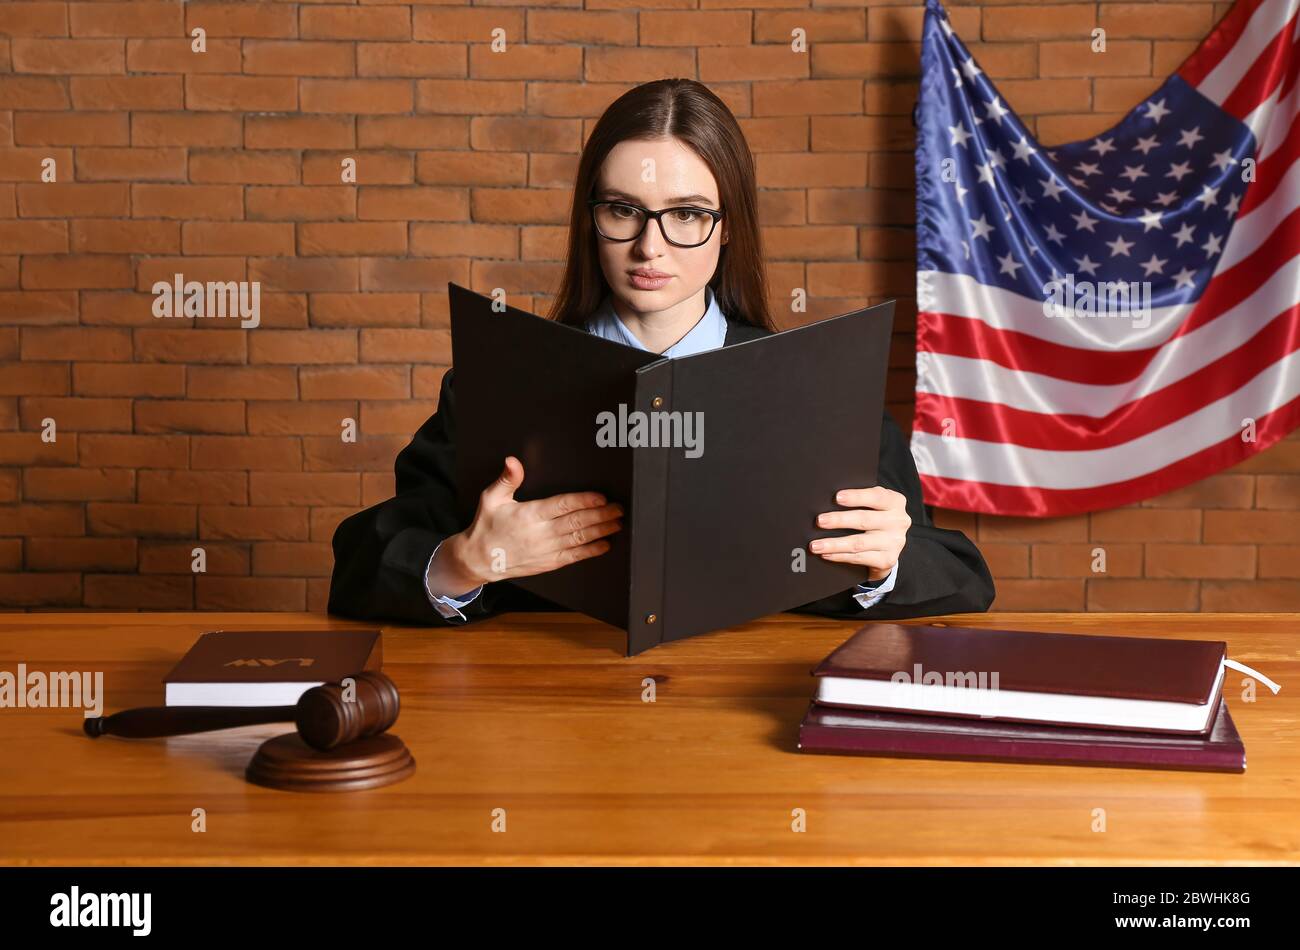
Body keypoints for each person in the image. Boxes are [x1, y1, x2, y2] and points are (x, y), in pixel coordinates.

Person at [328, 79, 994, 628]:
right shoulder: (495, 383)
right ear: (590, 219)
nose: (651, 248)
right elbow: (359, 567)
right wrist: (464, 561)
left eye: (687, 214)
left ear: (728, 226)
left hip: (752, 725)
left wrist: (885, 565)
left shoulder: (817, 388)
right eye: (624, 210)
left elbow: (962, 577)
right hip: (544, 723)